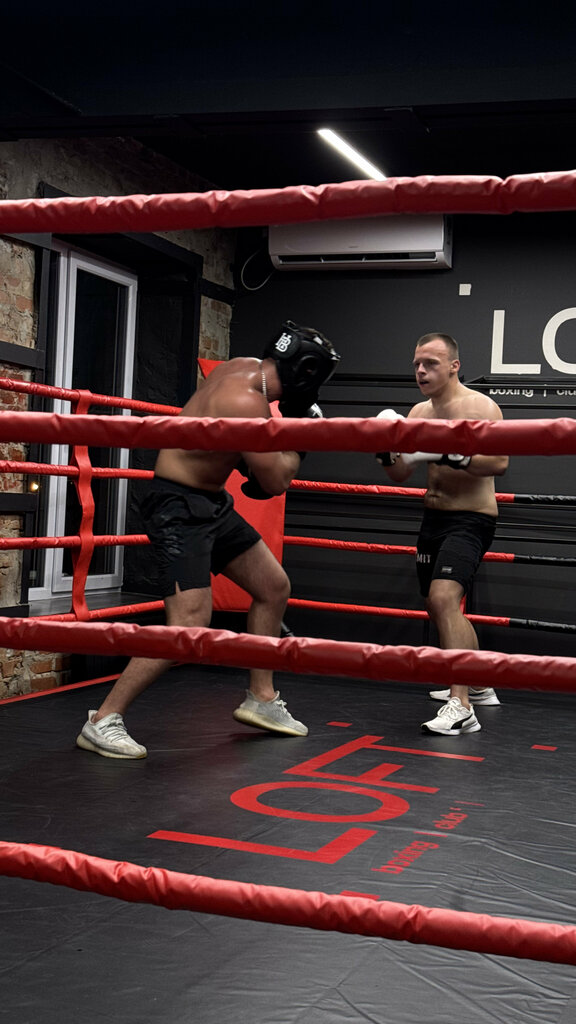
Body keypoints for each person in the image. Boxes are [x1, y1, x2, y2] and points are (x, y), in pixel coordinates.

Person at [76, 320, 341, 758]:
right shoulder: (247, 404)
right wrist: (300, 433)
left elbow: (225, 443)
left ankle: (262, 698)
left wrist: (244, 451)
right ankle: (104, 719)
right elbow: (275, 481)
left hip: (210, 504)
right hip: (177, 508)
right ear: (307, 374)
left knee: (273, 587)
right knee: (190, 622)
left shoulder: (242, 366)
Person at [375, 332, 508, 736]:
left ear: (454, 366)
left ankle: (461, 705)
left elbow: (499, 462)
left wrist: (454, 453)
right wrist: (385, 449)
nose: (420, 370)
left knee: (444, 598)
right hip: (432, 519)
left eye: (430, 363)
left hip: (471, 518)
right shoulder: (417, 413)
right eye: (417, 363)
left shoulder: (479, 406)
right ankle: (479, 680)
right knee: (438, 607)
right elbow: (400, 473)